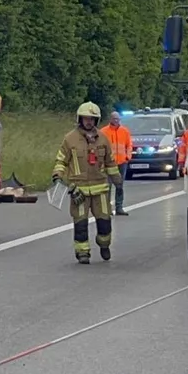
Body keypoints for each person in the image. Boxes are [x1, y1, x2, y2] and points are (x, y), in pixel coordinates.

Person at [53, 102, 116, 264]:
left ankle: (104, 244)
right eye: (86, 119)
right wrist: (57, 176)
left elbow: (110, 161)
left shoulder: (103, 139)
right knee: (80, 223)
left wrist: (117, 180)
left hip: (100, 189)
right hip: (78, 190)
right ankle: (83, 253)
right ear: (80, 119)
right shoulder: (70, 139)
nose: (89, 122)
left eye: (92, 119)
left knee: (104, 222)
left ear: (96, 120)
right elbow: (61, 160)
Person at [100, 108, 134, 216]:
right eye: (114, 119)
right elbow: (99, 147)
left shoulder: (125, 131)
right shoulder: (103, 132)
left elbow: (129, 145)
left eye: (118, 119)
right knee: (108, 186)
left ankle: (119, 207)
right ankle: (107, 208)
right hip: (109, 163)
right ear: (110, 119)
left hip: (122, 162)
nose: (116, 121)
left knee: (119, 186)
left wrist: (128, 157)